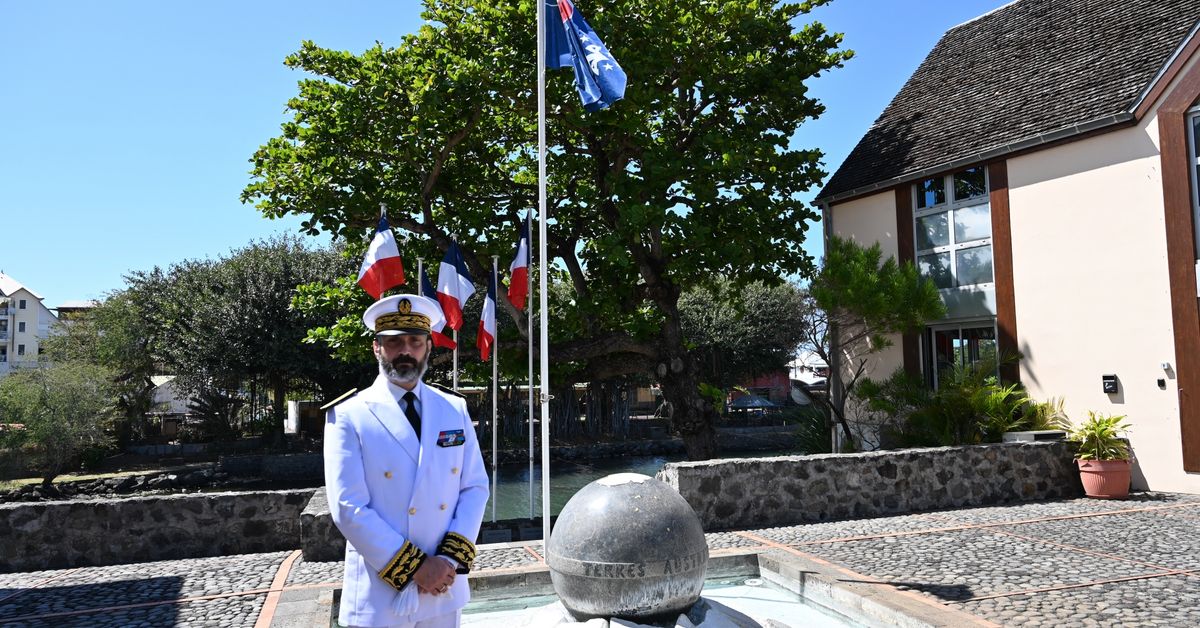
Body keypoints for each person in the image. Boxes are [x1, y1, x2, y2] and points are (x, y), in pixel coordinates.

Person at [323, 293, 489, 628]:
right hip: (381, 589)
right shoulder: (349, 415)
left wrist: (446, 561)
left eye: (415, 341)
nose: (405, 351)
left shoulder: (453, 408)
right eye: (394, 342)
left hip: (443, 584)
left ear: (428, 347)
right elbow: (348, 506)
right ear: (377, 348)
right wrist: (416, 567)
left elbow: (474, 487)